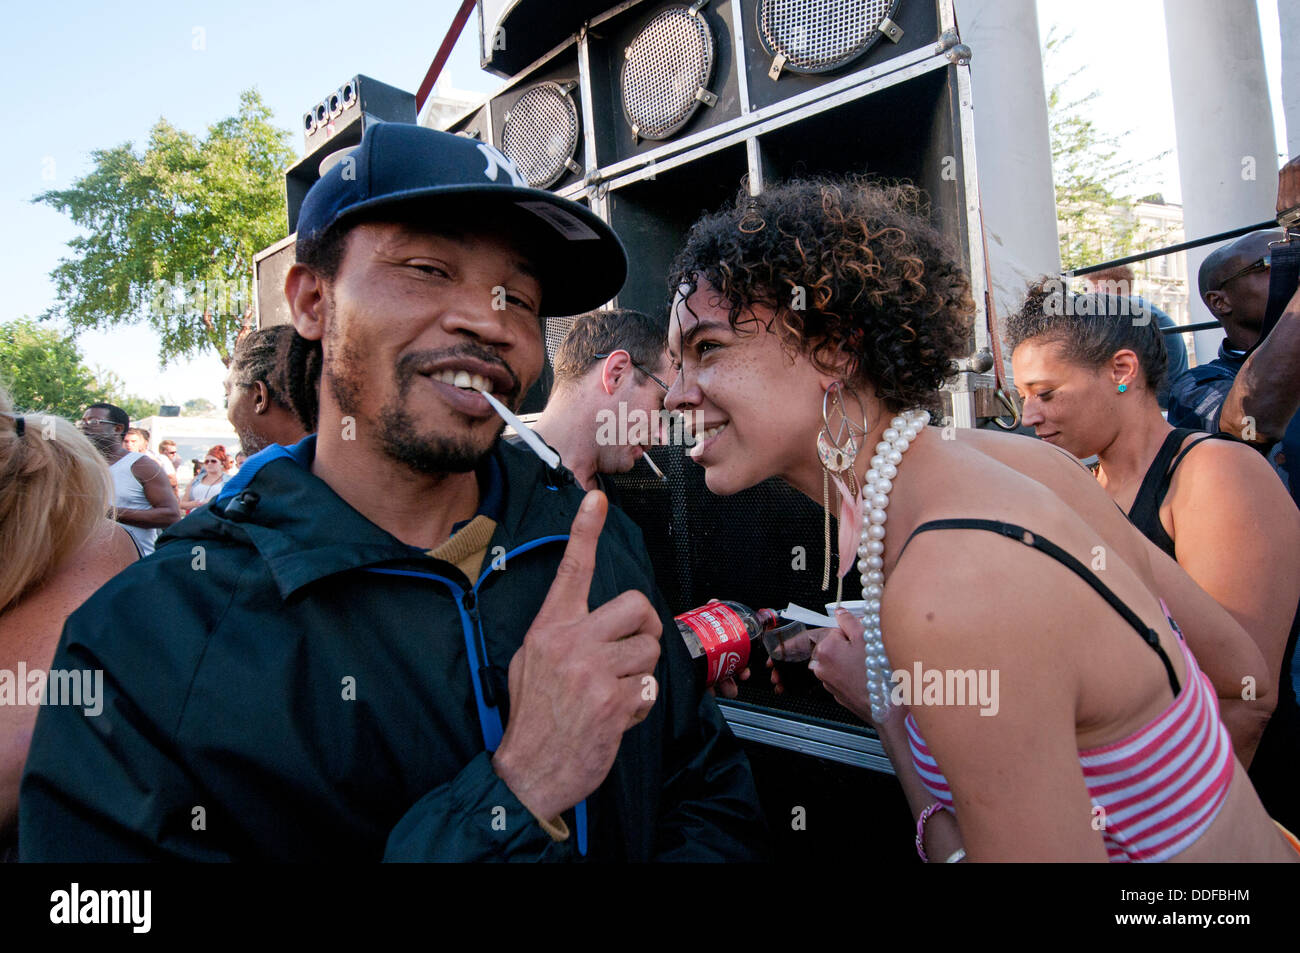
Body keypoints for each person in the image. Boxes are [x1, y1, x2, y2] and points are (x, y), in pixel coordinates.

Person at [20, 124, 765, 862]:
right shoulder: (150, 640)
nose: (489, 320)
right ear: (312, 300)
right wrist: (516, 791)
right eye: (428, 268)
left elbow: (705, 785)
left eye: (520, 296)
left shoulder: (590, 545)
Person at [663, 176, 1297, 861]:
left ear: (835, 350)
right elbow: (1238, 680)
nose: (673, 393)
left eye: (707, 350)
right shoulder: (1020, 465)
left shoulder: (950, 583)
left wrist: (891, 717)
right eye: (673, 363)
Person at [1007, 282, 1300, 831]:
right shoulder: (1080, 485)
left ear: (1121, 370)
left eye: (1046, 393)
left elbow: (1245, 698)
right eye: (1023, 396)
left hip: (1231, 813)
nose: (1028, 416)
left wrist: (1175, 836)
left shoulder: (1214, 473)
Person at [0, 388, 138, 861]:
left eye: (99, 420)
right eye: (85, 419)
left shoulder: (106, 524)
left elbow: (23, 741)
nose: (89, 424)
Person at [1175, 156, 1300, 509]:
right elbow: (1249, 423)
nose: (1295, 268)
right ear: (1220, 301)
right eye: (1278, 259)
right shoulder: (1197, 387)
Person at [530, 308, 675, 493]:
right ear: (616, 373)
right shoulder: (495, 483)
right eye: (661, 405)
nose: (663, 438)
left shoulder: (618, 495)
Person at [77, 403, 179, 557]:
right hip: (86, 564)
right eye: (83, 422)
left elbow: (170, 516)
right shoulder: (78, 465)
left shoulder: (141, 465)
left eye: (93, 421)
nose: (85, 427)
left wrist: (108, 512)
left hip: (132, 566)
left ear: (118, 429)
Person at [1080, 264, 1188, 409]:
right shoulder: (1140, 308)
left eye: (1087, 289)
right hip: (1168, 399)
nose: (1085, 296)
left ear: (1101, 288)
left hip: (1157, 403)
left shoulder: (1126, 312)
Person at [225, 325, 314, 453]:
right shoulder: (342, 466)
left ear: (259, 397)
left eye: (227, 394)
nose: (228, 415)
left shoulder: (255, 472)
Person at [125, 426, 178, 496]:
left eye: (133, 441)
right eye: (126, 441)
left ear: (145, 442)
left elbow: (173, 482)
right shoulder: (120, 460)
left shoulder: (155, 459)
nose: (129, 444)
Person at [179, 445, 233, 512]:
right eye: (206, 461)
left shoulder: (229, 480)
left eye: (213, 461)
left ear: (222, 463)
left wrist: (212, 501)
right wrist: (195, 504)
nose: (209, 463)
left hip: (216, 517)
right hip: (195, 516)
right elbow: (182, 504)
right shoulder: (196, 480)